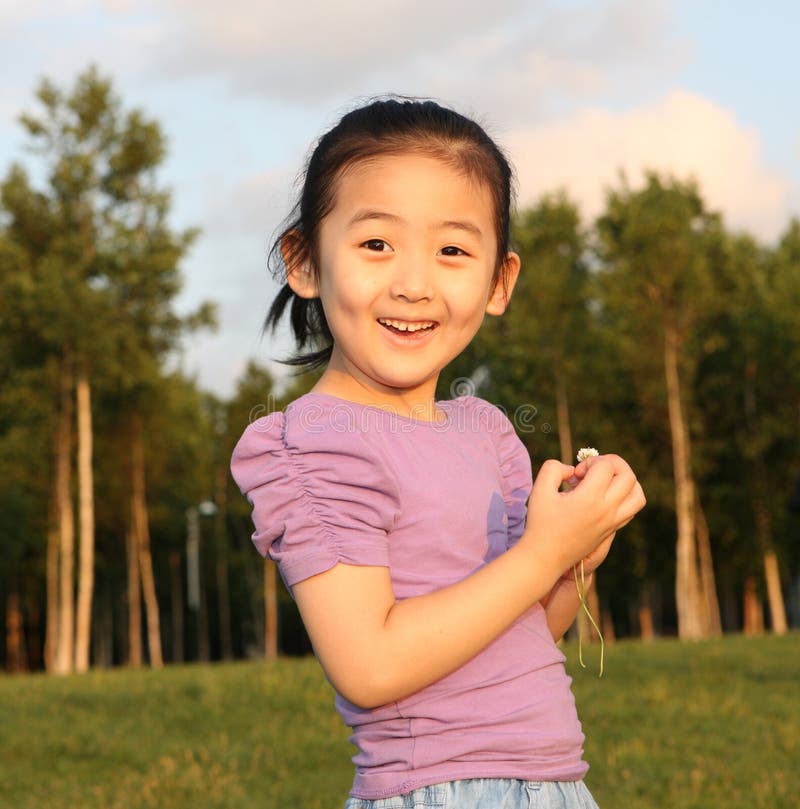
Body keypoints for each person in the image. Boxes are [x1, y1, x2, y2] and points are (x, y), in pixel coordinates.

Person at [231, 97, 646, 809]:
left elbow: (523, 631)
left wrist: (576, 551)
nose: (414, 283)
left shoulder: (485, 429)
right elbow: (370, 662)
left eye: (452, 250)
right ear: (303, 261)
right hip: (442, 791)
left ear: (498, 282)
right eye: (376, 245)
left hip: (556, 783)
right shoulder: (313, 443)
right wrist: (542, 555)